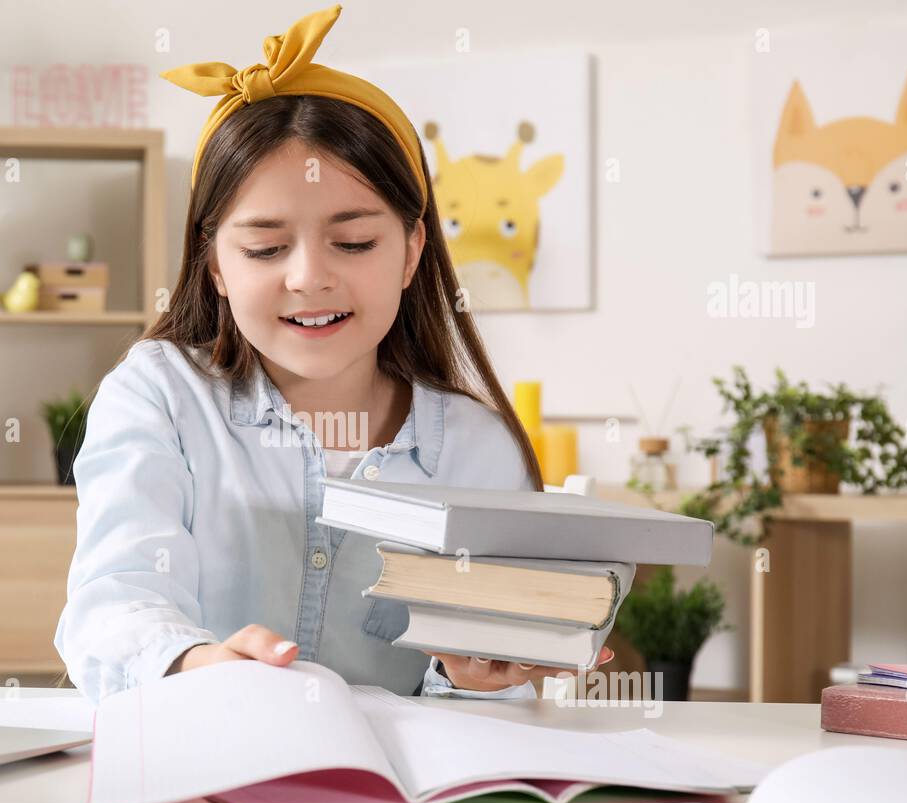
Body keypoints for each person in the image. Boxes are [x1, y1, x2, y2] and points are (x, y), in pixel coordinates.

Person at [53, 4, 613, 705]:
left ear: (412, 250)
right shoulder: (160, 397)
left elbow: (495, 702)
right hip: (203, 778)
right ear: (215, 266)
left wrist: (472, 674)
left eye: (353, 243)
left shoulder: (479, 448)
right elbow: (112, 603)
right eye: (264, 247)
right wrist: (198, 667)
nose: (309, 277)